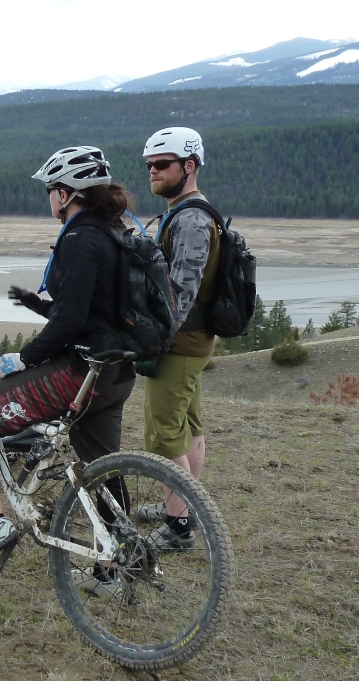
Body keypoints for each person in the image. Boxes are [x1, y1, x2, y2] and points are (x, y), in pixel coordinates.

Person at [0, 146, 135, 593]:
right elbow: (91, 308)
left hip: (79, 373)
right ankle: (116, 566)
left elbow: (73, 321)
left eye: (50, 190)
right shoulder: (114, 233)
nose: (48, 199)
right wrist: (39, 304)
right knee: (103, 469)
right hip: (114, 373)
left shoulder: (79, 238)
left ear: (64, 193)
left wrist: (27, 357)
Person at [138, 127, 219, 551]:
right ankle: (182, 506)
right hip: (192, 341)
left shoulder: (189, 219)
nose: (153, 171)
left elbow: (181, 293)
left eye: (162, 164)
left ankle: (179, 526)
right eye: (149, 165)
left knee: (164, 435)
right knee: (188, 428)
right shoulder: (187, 211)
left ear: (189, 166)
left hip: (179, 342)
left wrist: (154, 340)